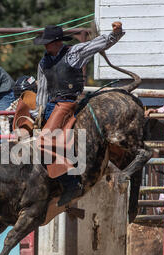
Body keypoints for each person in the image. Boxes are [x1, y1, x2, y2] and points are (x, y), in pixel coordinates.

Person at [33, 22, 124, 206]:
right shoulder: (44, 62)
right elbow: (42, 90)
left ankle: (72, 183)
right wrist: (39, 113)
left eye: (48, 42)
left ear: (57, 42)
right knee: (36, 144)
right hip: (51, 105)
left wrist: (115, 34)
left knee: (45, 141)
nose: (45, 45)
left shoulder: (73, 53)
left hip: (67, 102)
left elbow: (98, 44)